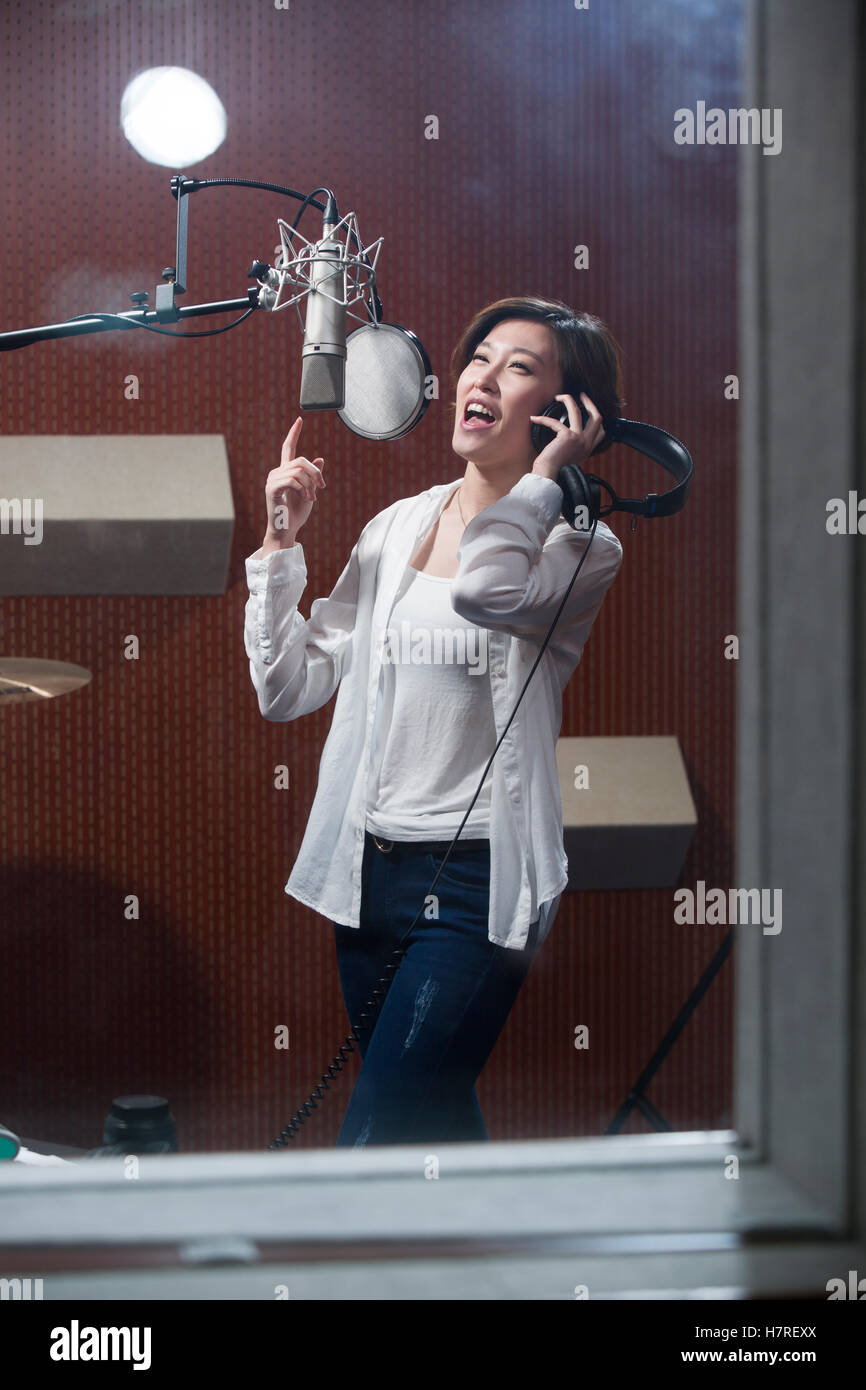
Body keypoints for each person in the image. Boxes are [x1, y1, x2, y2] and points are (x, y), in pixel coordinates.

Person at [243, 295, 625, 1147]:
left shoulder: (580, 546)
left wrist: (538, 482)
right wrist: (280, 546)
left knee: (378, 1133)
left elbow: (485, 591)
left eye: (520, 367)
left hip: (475, 884)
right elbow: (286, 687)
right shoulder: (396, 526)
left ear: (567, 415)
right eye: (478, 357)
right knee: (432, 1119)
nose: (482, 378)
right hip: (368, 871)